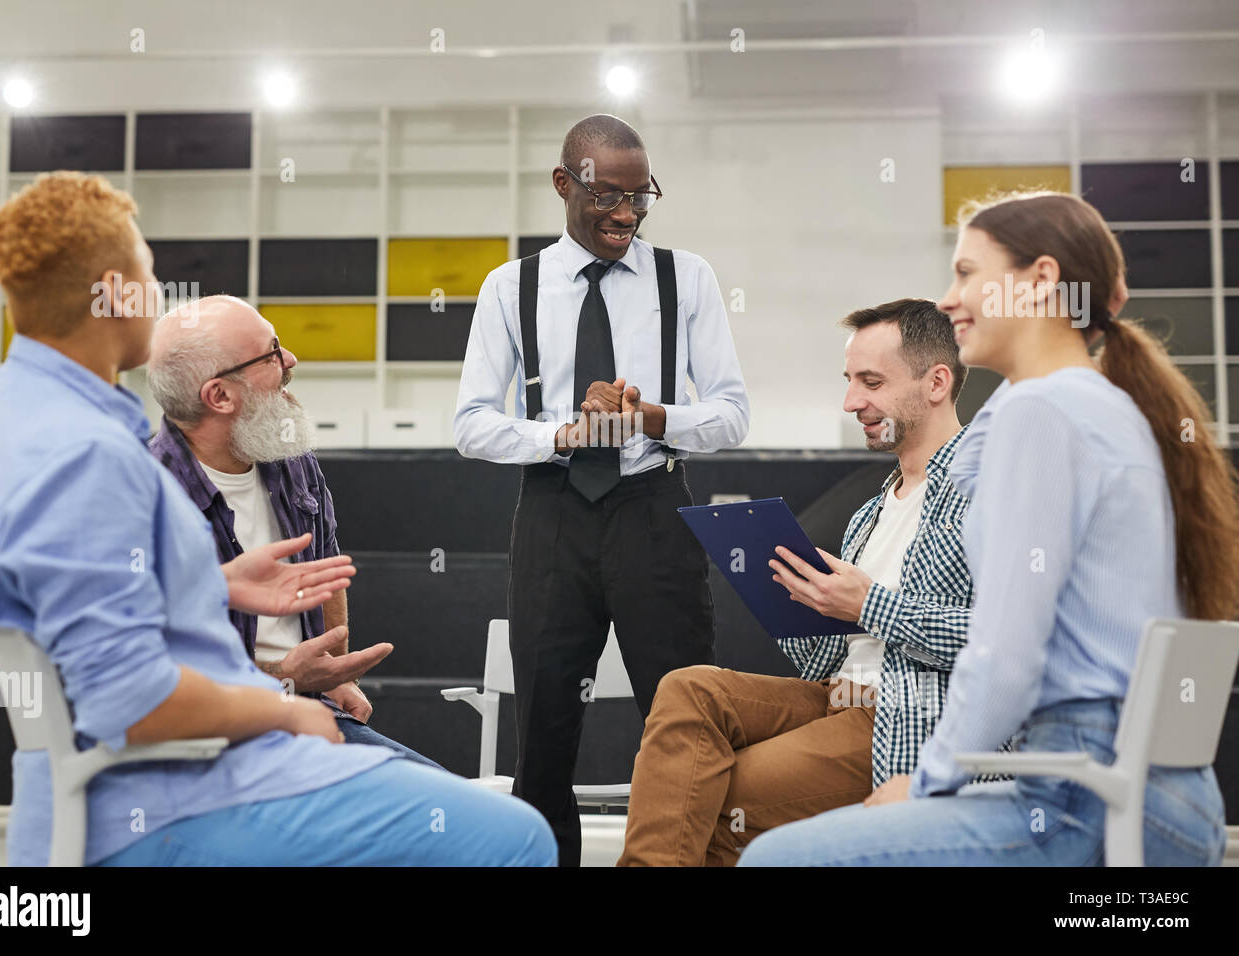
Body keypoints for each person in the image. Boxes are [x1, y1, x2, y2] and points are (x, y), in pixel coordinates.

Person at [0, 170, 554, 866]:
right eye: (149, 270)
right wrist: (284, 706)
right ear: (113, 293)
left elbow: (72, 609)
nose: (159, 289)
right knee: (517, 837)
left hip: (125, 784)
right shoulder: (86, 454)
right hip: (175, 796)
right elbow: (130, 699)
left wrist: (214, 583)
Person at [740, 191, 1239, 867]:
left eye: (969, 273)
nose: (949, 299)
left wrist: (927, 779)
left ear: (1039, 282)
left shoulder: (1038, 412)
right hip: (1158, 791)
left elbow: (1007, 649)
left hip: (1088, 793)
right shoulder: (1099, 406)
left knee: (778, 859)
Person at [454, 113, 750, 865]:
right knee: (545, 733)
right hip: (553, 516)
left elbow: (732, 415)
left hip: (655, 511)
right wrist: (561, 434)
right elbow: (472, 424)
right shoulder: (509, 286)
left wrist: (653, 415)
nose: (625, 214)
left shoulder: (689, 278)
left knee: (683, 721)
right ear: (565, 184)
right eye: (607, 196)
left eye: (640, 196)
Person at [619, 298, 981, 865]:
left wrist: (869, 605)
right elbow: (825, 663)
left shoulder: (983, 487)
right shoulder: (872, 511)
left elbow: (1005, 642)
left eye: (871, 382)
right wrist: (791, 599)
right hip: (838, 698)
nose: (851, 402)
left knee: (703, 796)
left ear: (936, 382)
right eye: (849, 381)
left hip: (908, 713)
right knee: (688, 688)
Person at [146, 295, 442, 768]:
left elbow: (327, 566)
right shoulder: (144, 496)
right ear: (219, 396)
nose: (291, 361)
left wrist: (334, 675)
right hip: (212, 737)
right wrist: (283, 677)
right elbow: (155, 673)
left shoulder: (289, 458)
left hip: (307, 710)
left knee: (445, 807)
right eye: (271, 353)